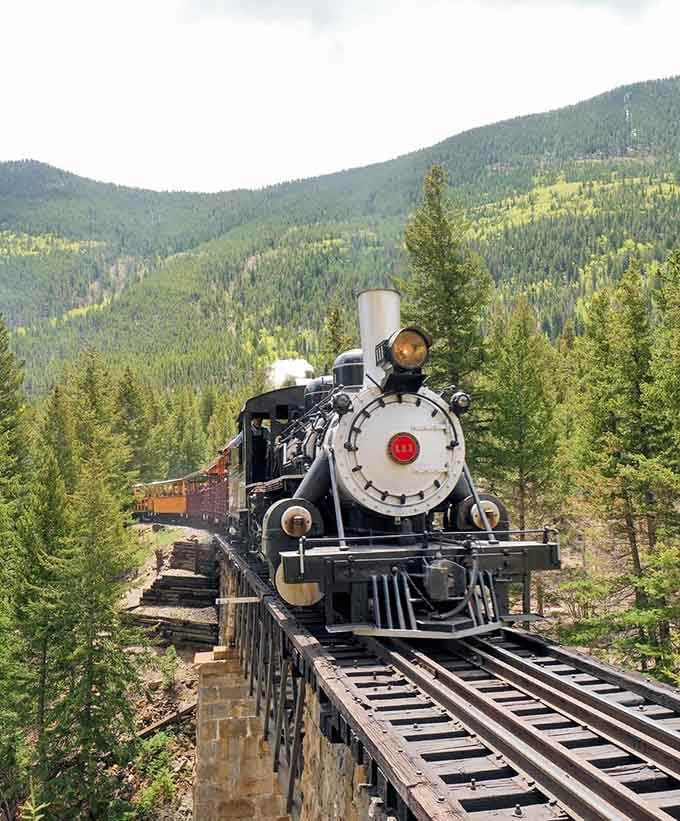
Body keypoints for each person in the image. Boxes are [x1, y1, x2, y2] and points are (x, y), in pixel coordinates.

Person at [251, 416, 269, 483]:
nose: (259, 421)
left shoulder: (265, 430)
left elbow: (271, 440)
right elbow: (237, 441)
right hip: (251, 459)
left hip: (262, 457)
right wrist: (227, 448)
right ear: (253, 420)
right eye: (257, 419)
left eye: (260, 419)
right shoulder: (247, 431)